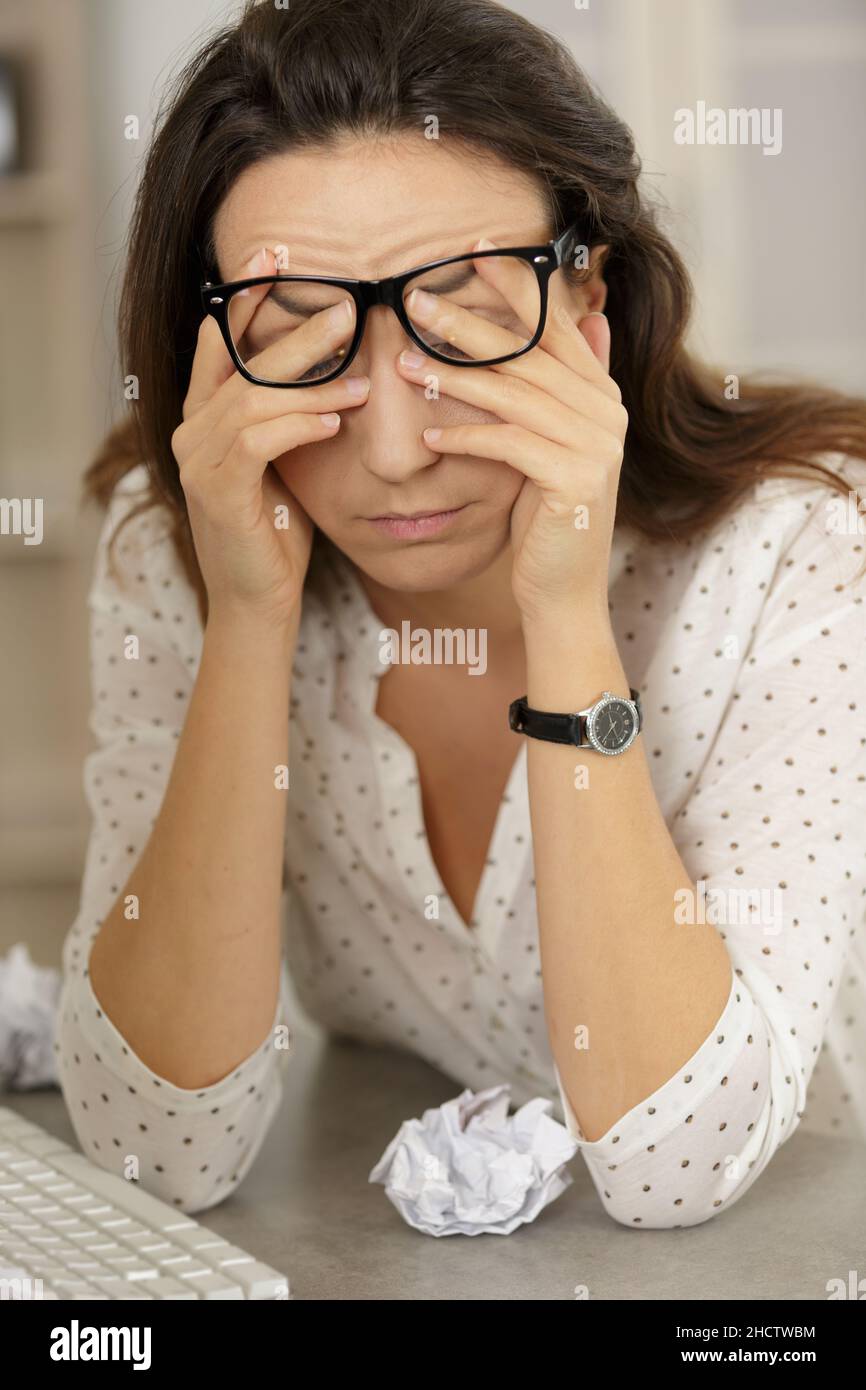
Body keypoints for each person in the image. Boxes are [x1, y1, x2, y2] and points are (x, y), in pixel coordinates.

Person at [57, 0, 866, 1229]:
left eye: (467, 323)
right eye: (296, 336)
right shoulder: (181, 546)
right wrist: (247, 620)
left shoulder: (795, 554)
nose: (392, 453)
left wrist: (565, 617)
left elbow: (669, 1170)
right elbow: (152, 1150)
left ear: (588, 304)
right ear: (205, 349)